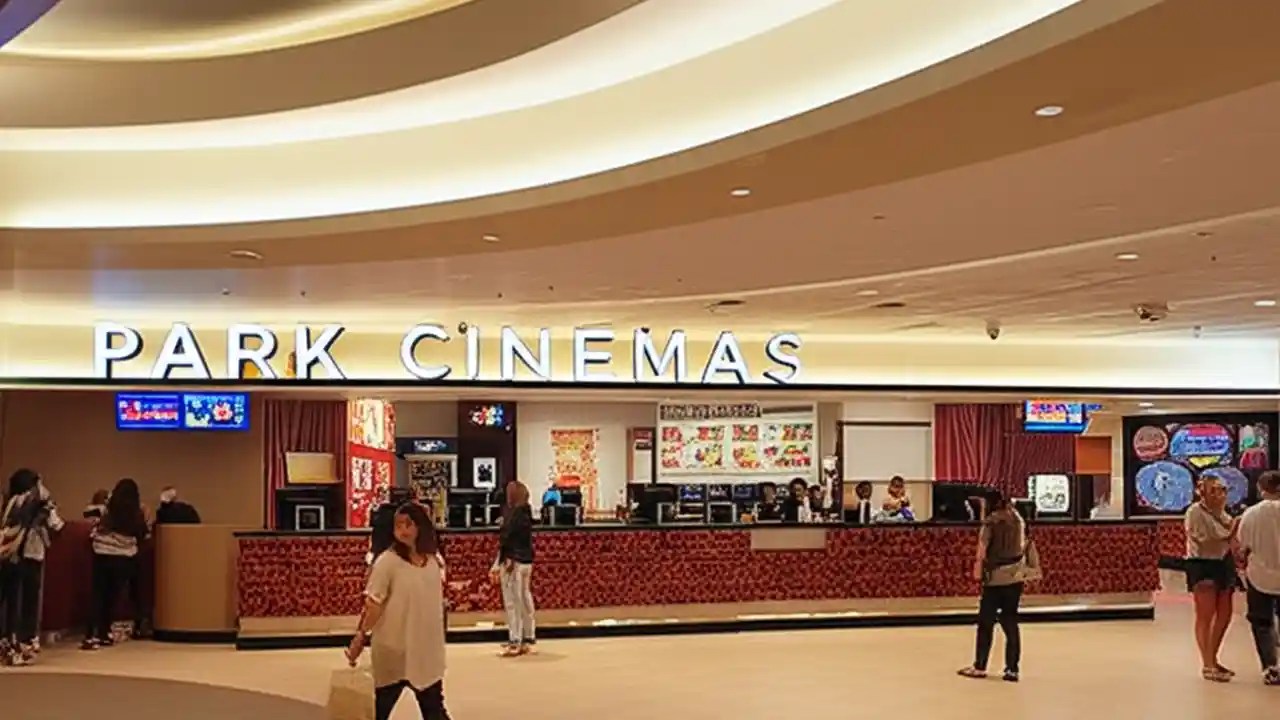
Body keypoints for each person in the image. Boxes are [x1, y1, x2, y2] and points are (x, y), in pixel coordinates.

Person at [346, 502, 452, 720]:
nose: (403, 531)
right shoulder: (387, 563)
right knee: (381, 709)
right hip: (393, 649)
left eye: (409, 524)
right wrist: (360, 636)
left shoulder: (433, 562)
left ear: (421, 527)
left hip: (424, 652)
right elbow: (373, 604)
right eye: (398, 526)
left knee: (434, 710)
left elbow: (437, 606)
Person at [958, 493, 1032, 682]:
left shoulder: (991, 521)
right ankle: (1012, 669)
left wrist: (977, 570)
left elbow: (982, 549)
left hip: (995, 577)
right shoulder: (1017, 518)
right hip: (1015, 576)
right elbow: (1023, 544)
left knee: (986, 622)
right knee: (1010, 622)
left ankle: (980, 666)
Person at [0, 469, 64, 666]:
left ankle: (6, 643)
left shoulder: (11, 503)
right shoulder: (40, 503)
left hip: (9, 555)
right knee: (28, 602)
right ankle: (23, 644)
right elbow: (57, 526)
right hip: (31, 554)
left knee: (9, 601)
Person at [83, 478, 149, 650]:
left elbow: (92, 517)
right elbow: (141, 533)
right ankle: (105, 633)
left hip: (102, 553)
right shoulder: (136, 512)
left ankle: (92, 634)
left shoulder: (108, 509)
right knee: (112, 597)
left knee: (98, 595)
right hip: (124, 557)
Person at [1183, 477, 1239, 682]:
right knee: (1205, 614)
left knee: (1225, 613)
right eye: (1214, 490)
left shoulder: (1223, 513)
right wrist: (1233, 530)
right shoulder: (1195, 512)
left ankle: (1212, 657)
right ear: (1203, 493)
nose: (1221, 494)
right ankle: (1207, 664)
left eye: (1223, 490)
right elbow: (1205, 537)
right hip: (1202, 564)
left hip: (1223, 563)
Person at [1238, 470, 1280, 686]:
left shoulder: (1251, 514)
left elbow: (1243, 546)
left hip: (1260, 576)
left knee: (1261, 622)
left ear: (1261, 489)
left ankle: (1271, 668)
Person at [492, 480, 536, 657]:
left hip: (513, 561)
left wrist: (504, 559)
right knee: (525, 598)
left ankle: (515, 640)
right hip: (526, 561)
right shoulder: (526, 512)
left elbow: (507, 539)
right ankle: (528, 637)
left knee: (512, 602)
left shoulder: (513, 514)